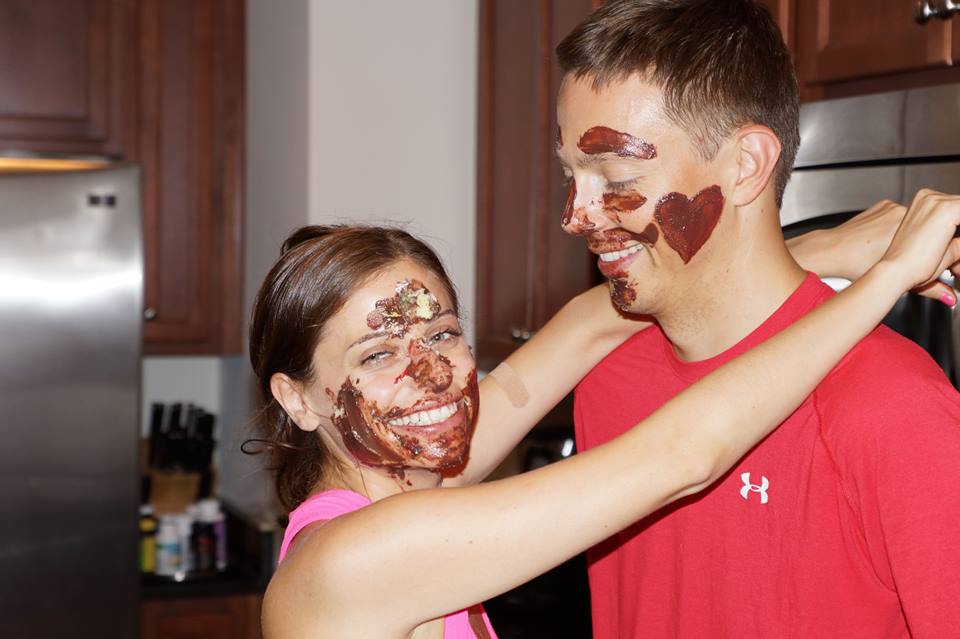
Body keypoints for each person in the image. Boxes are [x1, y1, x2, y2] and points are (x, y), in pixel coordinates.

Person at [249, 204, 959, 638]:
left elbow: (588, 325)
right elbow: (683, 455)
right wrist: (888, 278)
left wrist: (823, 249)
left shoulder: (412, 481)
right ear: (297, 398)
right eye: (376, 354)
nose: (431, 374)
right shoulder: (357, 559)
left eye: (442, 334)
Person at [554, 1, 960, 637]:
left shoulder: (893, 405)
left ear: (745, 165)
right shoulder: (606, 378)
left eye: (617, 176)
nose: (576, 218)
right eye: (570, 176)